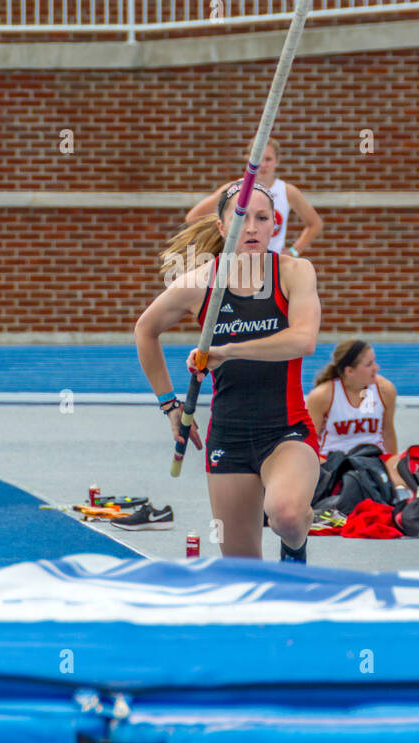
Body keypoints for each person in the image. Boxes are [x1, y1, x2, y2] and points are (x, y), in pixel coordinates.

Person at [134, 182, 321, 562]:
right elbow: (145, 330)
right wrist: (170, 406)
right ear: (222, 228)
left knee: (285, 514)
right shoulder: (201, 283)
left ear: (274, 225)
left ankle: (294, 548)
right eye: (241, 218)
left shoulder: (294, 273)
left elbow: (303, 341)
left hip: (286, 432)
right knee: (241, 570)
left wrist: (228, 351)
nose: (251, 227)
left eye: (262, 218)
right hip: (229, 439)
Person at [184, 137, 322, 256]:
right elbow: (193, 217)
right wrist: (219, 240)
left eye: (268, 159)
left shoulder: (287, 191)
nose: (263, 164)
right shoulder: (234, 189)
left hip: (271, 266)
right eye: (258, 158)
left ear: (277, 161)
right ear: (249, 159)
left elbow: (315, 224)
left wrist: (294, 251)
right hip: (239, 265)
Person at [306, 339, 398, 463]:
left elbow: (388, 433)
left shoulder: (385, 389)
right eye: (369, 364)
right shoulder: (322, 395)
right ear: (349, 371)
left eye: (374, 362)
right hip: (333, 461)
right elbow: (309, 441)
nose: (376, 368)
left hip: (373, 460)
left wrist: (394, 464)